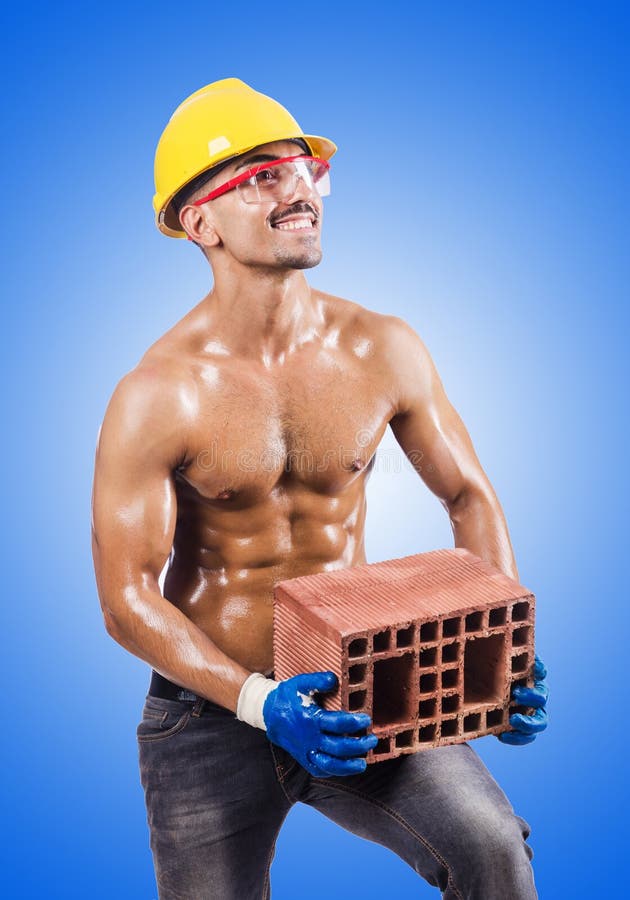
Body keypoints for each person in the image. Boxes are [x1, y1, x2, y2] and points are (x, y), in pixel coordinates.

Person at [91, 77, 549, 899]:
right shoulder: (157, 395)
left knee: (493, 851)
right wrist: (260, 703)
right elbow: (125, 598)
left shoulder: (382, 348)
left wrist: (496, 653)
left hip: (362, 687)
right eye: (264, 176)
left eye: (307, 171)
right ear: (200, 223)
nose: (299, 190)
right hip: (209, 709)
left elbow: (467, 496)